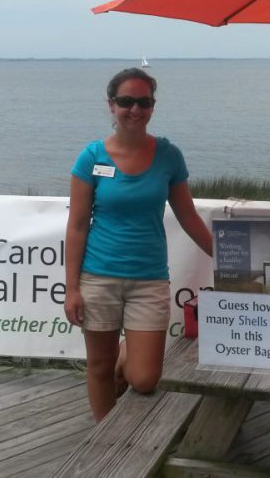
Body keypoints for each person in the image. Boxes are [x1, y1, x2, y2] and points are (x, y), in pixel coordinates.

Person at [64, 68, 212, 420]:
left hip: (149, 279)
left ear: (152, 107)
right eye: (126, 101)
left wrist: (228, 258)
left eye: (143, 102)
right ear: (111, 105)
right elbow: (78, 226)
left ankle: (125, 357)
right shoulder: (91, 157)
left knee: (144, 379)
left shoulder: (168, 156)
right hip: (98, 277)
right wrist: (72, 289)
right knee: (98, 367)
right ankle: (104, 438)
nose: (135, 109)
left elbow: (189, 217)